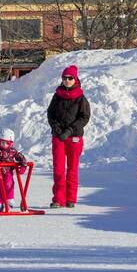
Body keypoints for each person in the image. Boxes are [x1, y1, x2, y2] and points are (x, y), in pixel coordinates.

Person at [47, 64, 90, 209]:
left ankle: (70, 198)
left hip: (74, 137)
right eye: (65, 78)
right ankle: (58, 199)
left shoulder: (81, 98)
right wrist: (56, 128)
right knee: (58, 168)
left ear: (75, 79)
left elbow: (84, 117)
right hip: (58, 137)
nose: (67, 80)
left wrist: (70, 130)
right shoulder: (57, 95)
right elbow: (50, 114)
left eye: (70, 78)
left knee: (72, 169)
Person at [0, 128, 28, 211]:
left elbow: (22, 158)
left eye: (6, 143)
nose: (3, 144)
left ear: (11, 143)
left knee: (9, 183)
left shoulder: (12, 151)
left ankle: (9, 198)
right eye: (1, 142)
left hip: (8, 171)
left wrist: (23, 166)